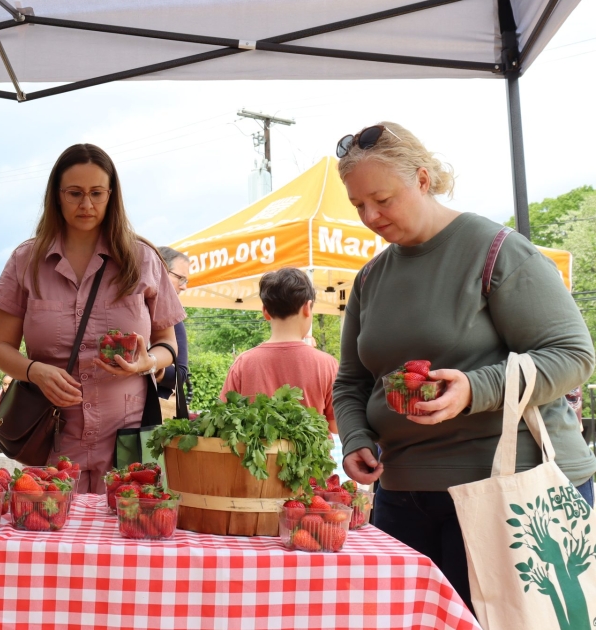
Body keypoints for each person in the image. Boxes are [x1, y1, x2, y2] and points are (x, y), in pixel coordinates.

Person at [332, 122, 596, 611]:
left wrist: (476, 389)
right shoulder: (370, 277)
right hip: (402, 495)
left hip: (507, 493)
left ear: (424, 179)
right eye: (357, 205)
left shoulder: (497, 249)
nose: (370, 216)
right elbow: (350, 382)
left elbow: (573, 356)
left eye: (382, 199)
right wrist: (355, 439)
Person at [0, 143, 185, 493]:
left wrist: (147, 362)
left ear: (112, 195)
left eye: (97, 193)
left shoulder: (142, 259)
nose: (86, 205)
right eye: (75, 193)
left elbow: (168, 343)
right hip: (52, 441)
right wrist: (35, 371)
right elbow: (2, 348)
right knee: (53, 537)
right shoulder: (26, 261)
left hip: (130, 443)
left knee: (128, 537)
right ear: (56, 195)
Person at [220, 267, 338, 435]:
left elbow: (225, 420)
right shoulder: (327, 364)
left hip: (258, 461)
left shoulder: (243, 363)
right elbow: (336, 426)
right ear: (307, 307)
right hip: (313, 461)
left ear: (265, 311)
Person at [155, 246, 190, 413]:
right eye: (180, 278)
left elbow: (181, 374)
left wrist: (154, 369)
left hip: (152, 412)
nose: (184, 287)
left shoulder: (174, 319)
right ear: (159, 270)